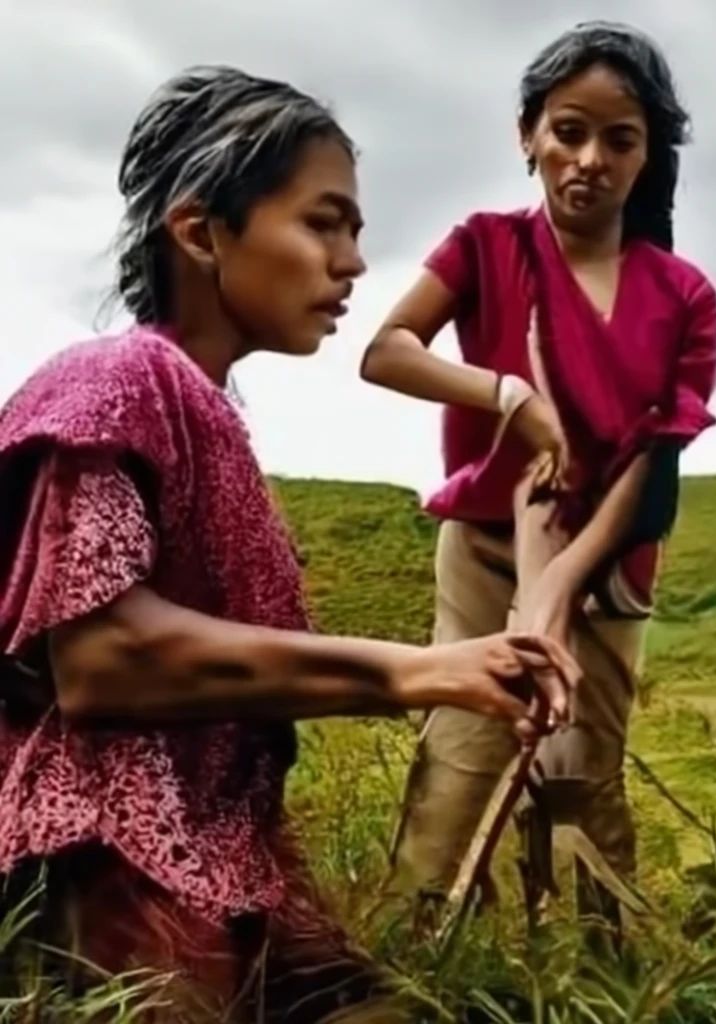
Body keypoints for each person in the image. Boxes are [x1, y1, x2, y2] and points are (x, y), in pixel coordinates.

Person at [0, 65, 579, 1022]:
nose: (352, 261)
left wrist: (455, 671)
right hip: (105, 858)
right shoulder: (115, 381)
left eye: (352, 230)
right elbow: (103, 659)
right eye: (323, 222)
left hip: (226, 860)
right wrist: (417, 671)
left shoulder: (205, 412)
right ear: (200, 231)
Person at [361, 21, 716, 936]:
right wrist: (506, 392)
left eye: (620, 139)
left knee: (580, 776)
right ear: (528, 134)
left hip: (609, 573)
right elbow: (386, 351)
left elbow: (655, 460)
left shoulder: (684, 296)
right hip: (484, 550)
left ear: (649, 157)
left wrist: (562, 579)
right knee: (461, 755)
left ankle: (600, 966)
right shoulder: (485, 247)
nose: (589, 160)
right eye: (568, 131)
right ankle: (412, 961)